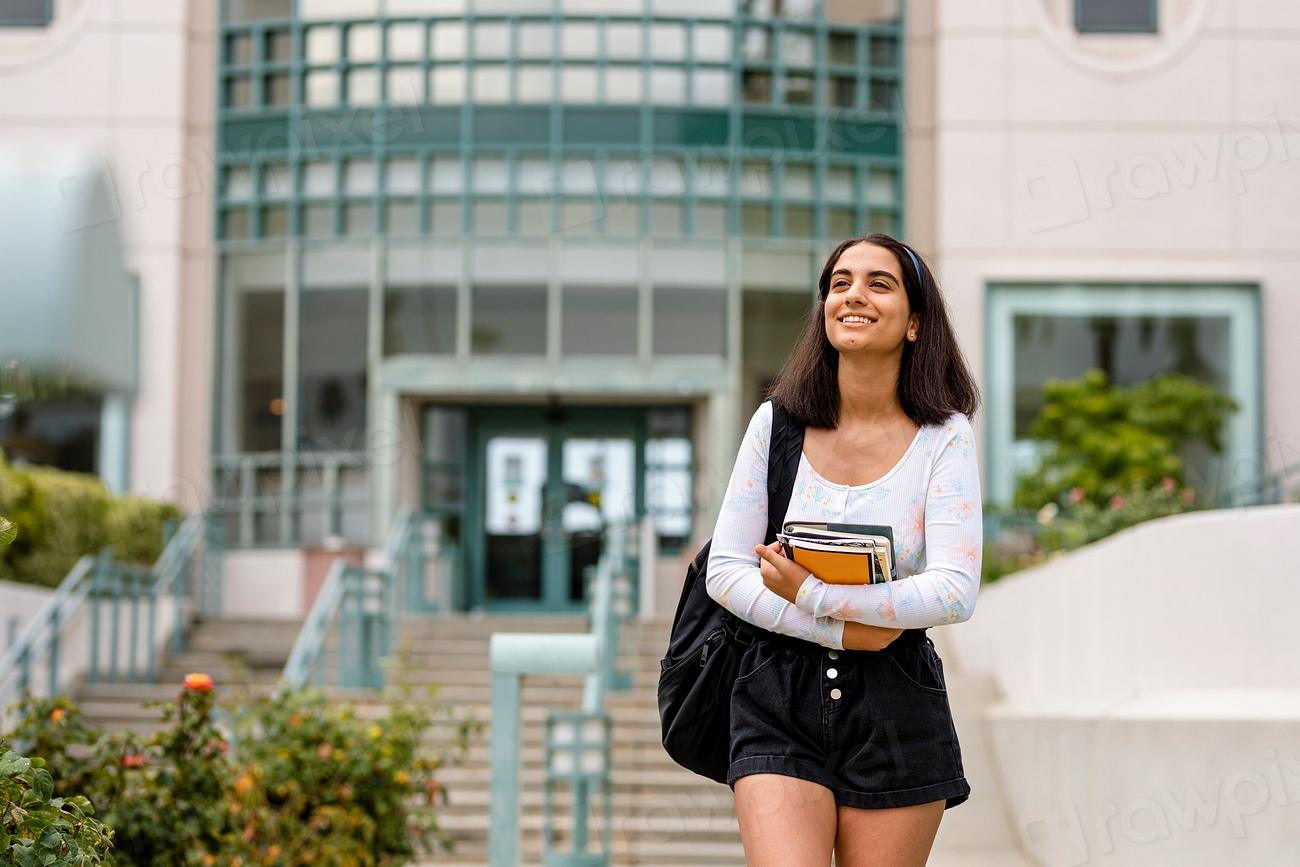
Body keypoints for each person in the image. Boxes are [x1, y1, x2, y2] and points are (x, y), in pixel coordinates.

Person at [707, 234, 982, 867]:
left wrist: (814, 595)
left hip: (895, 698)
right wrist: (837, 628)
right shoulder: (776, 423)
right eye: (839, 283)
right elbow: (726, 572)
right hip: (777, 688)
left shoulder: (945, 436)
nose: (853, 295)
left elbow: (953, 588)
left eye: (878, 284)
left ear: (916, 323)